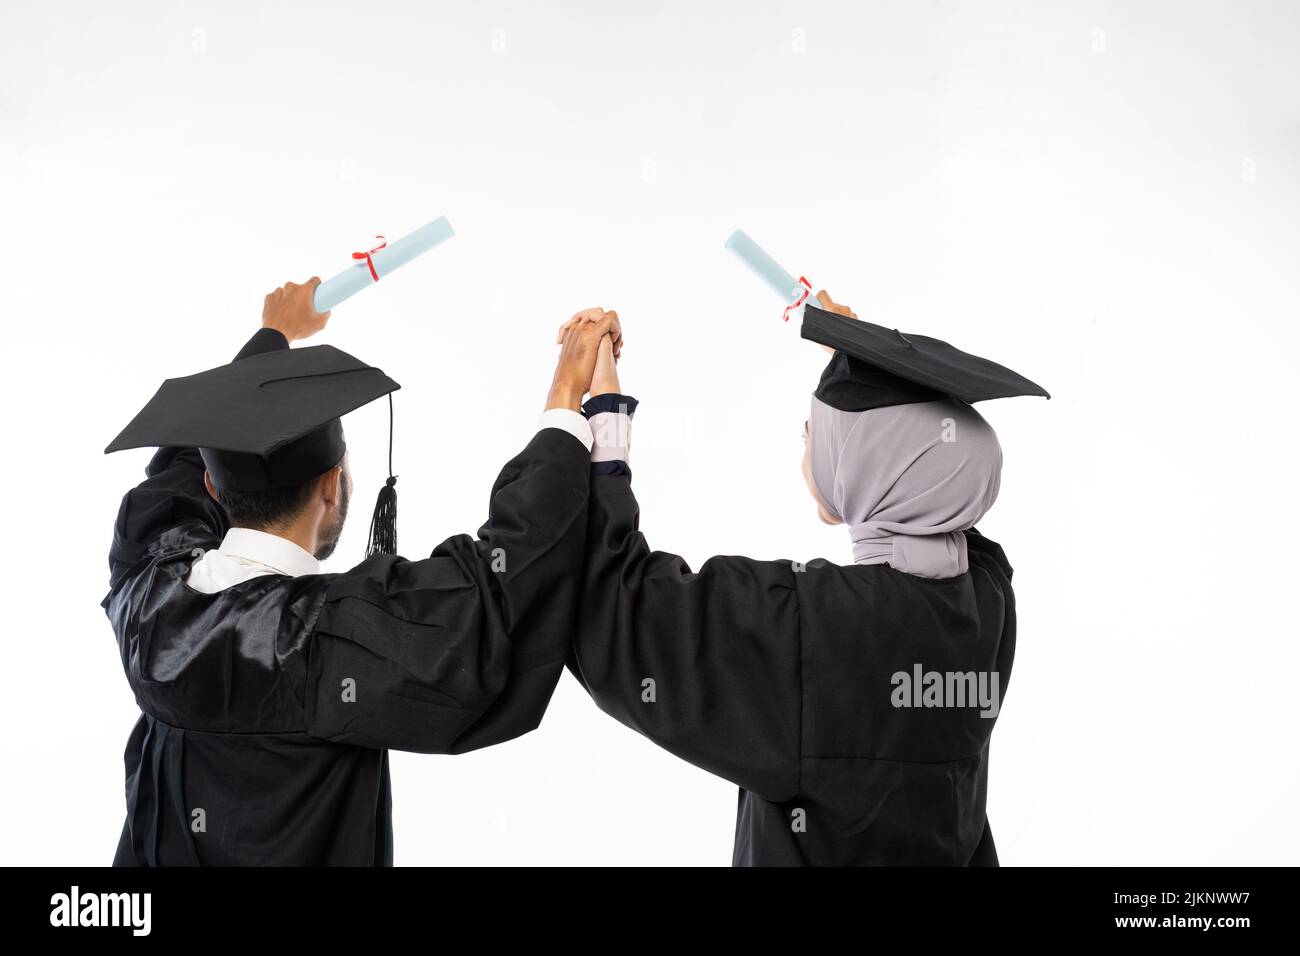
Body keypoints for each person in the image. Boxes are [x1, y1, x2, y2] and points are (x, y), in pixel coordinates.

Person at [103, 277, 621, 865]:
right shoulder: (326, 643)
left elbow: (175, 473)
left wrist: (272, 341)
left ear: (210, 485)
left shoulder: (148, 592)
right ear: (332, 485)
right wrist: (569, 400)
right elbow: (498, 599)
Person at [564, 292, 1047, 865]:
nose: (807, 448)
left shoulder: (814, 632)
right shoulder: (987, 598)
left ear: (865, 462)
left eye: (814, 433)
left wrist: (600, 414)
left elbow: (619, 614)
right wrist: (861, 355)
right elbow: (945, 491)